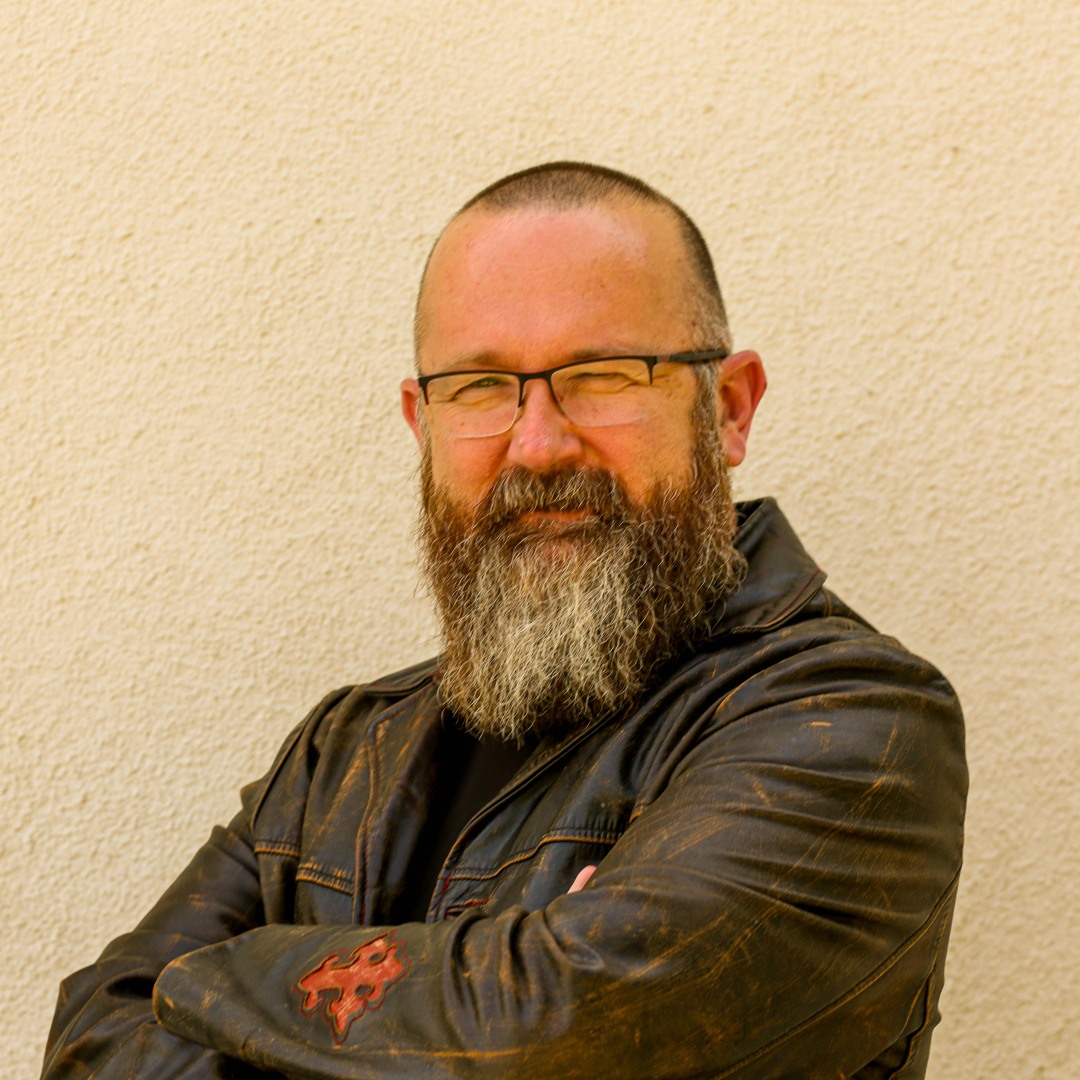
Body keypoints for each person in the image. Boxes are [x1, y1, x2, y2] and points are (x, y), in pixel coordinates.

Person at [42, 162, 967, 1079]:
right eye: (480, 386)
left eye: (602, 375)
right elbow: (96, 1038)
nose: (538, 444)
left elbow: (546, 1035)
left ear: (727, 409)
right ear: (422, 423)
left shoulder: (857, 724)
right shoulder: (345, 752)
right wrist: (501, 974)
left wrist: (210, 984)